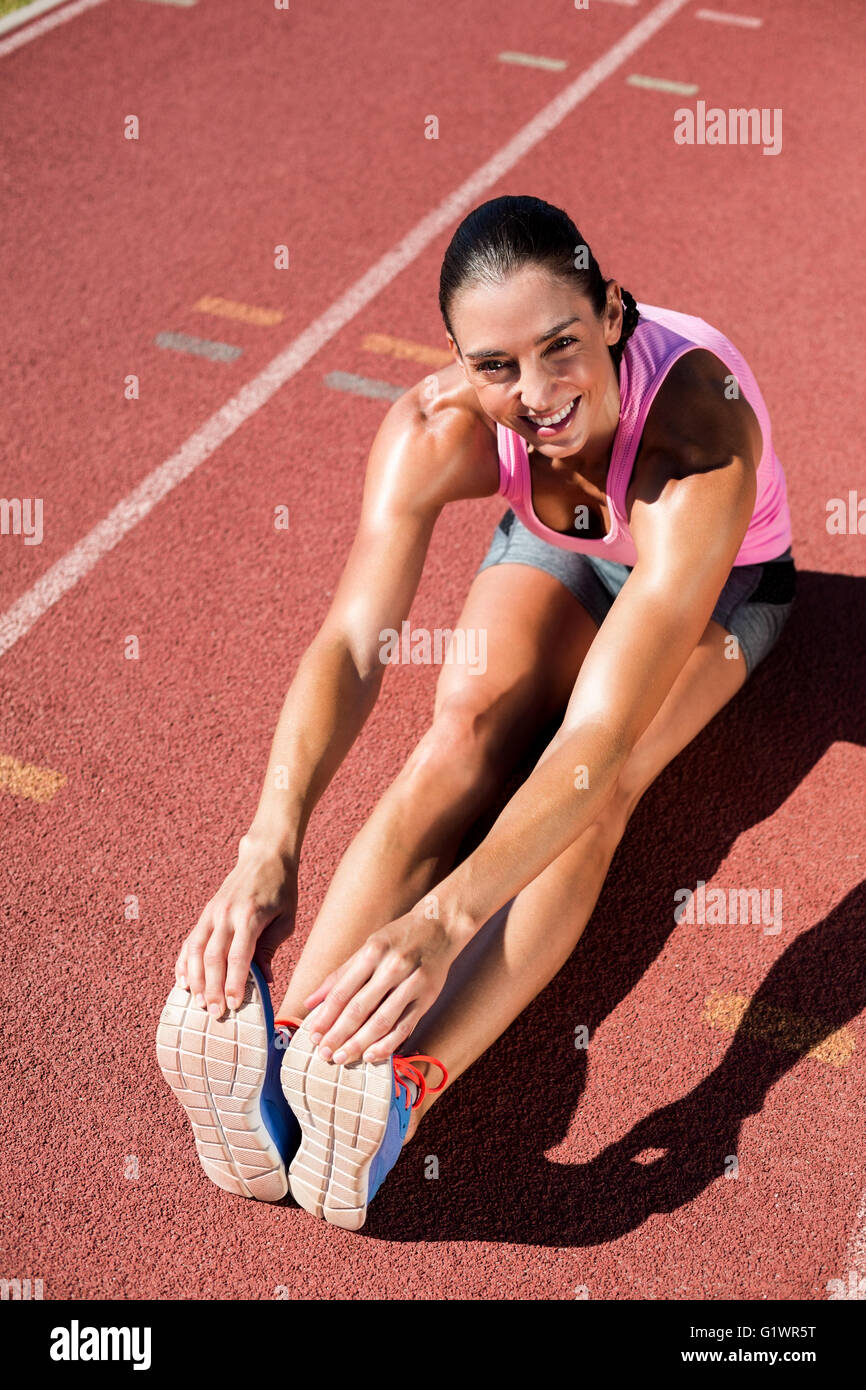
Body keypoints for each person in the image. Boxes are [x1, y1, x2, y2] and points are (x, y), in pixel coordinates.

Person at [157, 194, 796, 1229]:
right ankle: (288, 1057)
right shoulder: (434, 425)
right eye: (495, 365)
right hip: (570, 540)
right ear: (456, 360)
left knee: (600, 793)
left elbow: (596, 738)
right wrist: (266, 846)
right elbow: (348, 642)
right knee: (459, 729)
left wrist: (445, 920)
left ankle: (401, 1085)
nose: (534, 394)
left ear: (614, 317)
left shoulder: (696, 444)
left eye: (559, 350)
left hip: (716, 580)